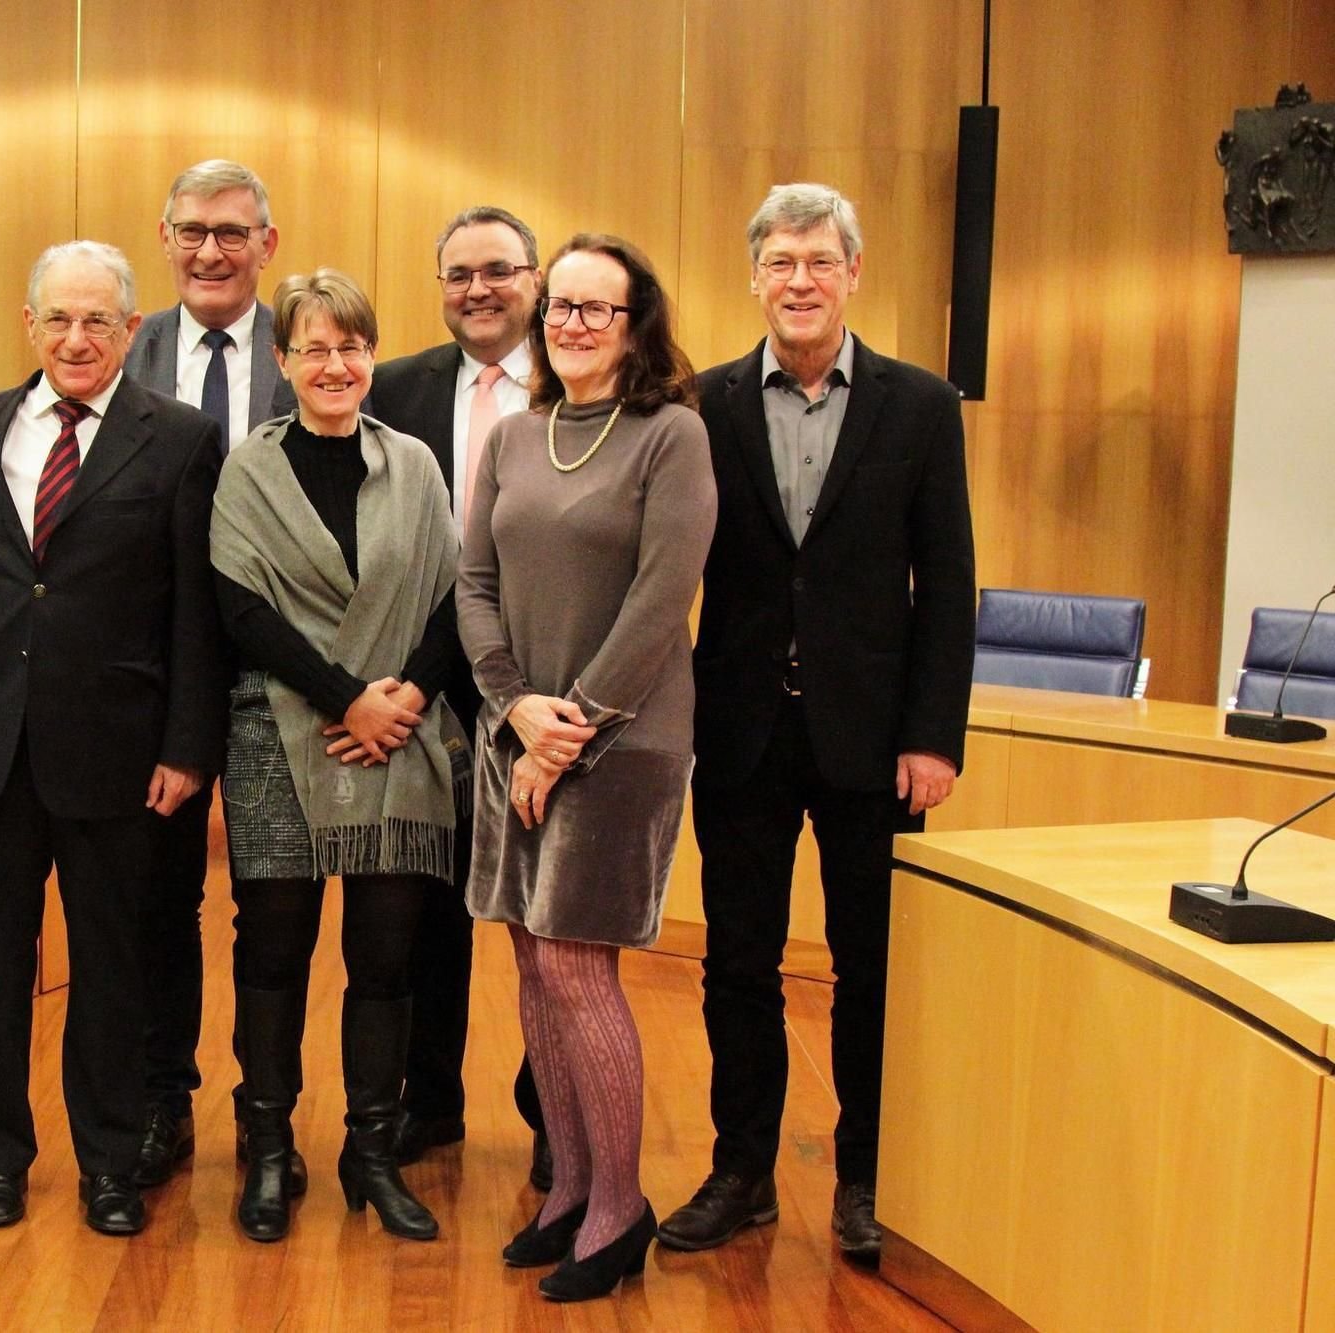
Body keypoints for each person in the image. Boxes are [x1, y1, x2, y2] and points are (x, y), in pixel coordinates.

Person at [656, 183, 975, 1265]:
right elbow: (667, 572)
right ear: (752, 277)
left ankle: (867, 1175)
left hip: (873, 743)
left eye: (818, 261)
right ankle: (739, 1168)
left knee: (870, 964)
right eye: (779, 261)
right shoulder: (700, 406)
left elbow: (947, 582)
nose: (798, 280)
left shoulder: (919, 406)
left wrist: (932, 736)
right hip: (738, 734)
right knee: (735, 962)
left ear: (851, 275)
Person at [0, 241, 228, 1239]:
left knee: (112, 968)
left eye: (97, 321)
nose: (75, 338)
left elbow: (198, 608)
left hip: (119, 749)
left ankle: (110, 1159)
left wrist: (189, 746)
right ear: (28, 324)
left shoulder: (181, 439)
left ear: (130, 330)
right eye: (57, 319)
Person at [458, 234, 715, 1302]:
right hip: (513, 734)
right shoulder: (514, 437)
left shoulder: (670, 436)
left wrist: (568, 730)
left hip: (620, 743)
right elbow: (471, 581)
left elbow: (662, 599)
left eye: (593, 310)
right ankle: (566, 1186)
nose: (568, 323)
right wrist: (515, 707)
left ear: (632, 324)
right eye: (557, 306)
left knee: (575, 967)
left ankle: (618, 1206)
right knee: (528, 963)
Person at [210, 268, 463, 1244]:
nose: (334, 363)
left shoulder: (416, 465)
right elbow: (240, 608)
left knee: (385, 957)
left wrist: (399, 697)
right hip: (280, 732)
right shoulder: (248, 469)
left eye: (350, 344)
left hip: (396, 739)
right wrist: (344, 697)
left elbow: (450, 596)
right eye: (312, 346)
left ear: (370, 357)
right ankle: (269, 1147)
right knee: (272, 950)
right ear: (281, 362)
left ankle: (370, 1149)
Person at [121, 158, 295, 1188]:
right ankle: (159, 1100)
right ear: (164, 234)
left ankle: (267, 1114)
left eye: (232, 233)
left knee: (272, 904)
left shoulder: (309, 348)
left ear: (266, 244)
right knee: (160, 900)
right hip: (157, 676)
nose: (210, 251)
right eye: (192, 230)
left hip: (281, 675)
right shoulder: (120, 351)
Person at [368, 204, 550, 1185]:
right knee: (423, 912)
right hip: (423, 693)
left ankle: (549, 1112)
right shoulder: (391, 389)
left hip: (541, 689)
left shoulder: (576, 385)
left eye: (496, 270)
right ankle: (426, 1100)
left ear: (534, 276)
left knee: (542, 915)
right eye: (456, 274)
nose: (476, 290)